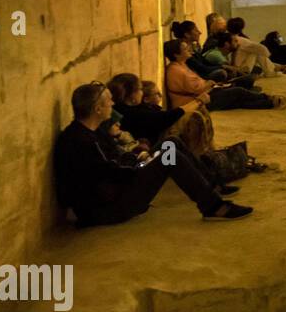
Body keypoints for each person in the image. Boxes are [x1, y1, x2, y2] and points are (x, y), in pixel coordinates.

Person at [54, 82, 251, 227]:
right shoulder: (80, 141)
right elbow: (112, 173)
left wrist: (139, 158)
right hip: (107, 209)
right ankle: (214, 207)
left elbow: (113, 161)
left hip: (115, 190)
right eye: (108, 102)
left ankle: (212, 186)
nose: (113, 104)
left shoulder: (90, 130)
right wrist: (144, 163)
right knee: (169, 157)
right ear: (97, 109)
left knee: (170, 143)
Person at [164, 39, 284, 110]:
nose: (189, 50)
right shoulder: (175, 70)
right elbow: (196, 89)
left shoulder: (181, 65)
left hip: (204, 94)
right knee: (237, 92)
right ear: (176, 54)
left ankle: (270, 102)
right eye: (185, 49)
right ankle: (268, 98)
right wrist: (209, 83)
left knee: (237, 98)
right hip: (196, 102)